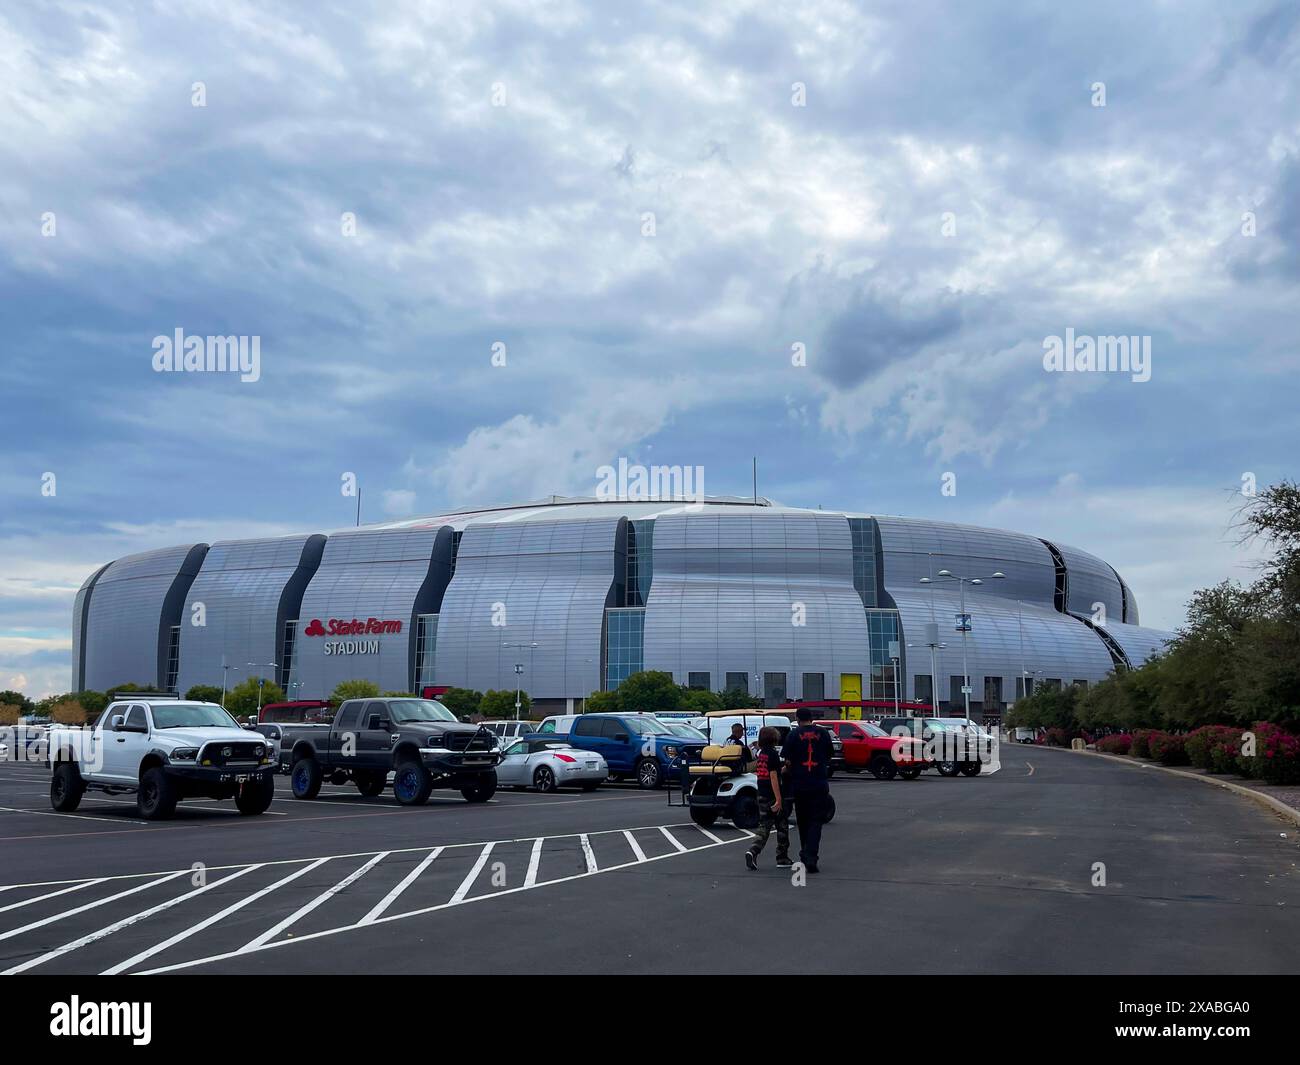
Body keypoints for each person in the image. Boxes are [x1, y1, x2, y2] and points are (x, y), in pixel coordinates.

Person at [780, 707, 834, 873]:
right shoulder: (823, 733)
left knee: (803, 821)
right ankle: (811, 856)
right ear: (811, 717)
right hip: (819, 783)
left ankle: (806, 855)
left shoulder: (793, 735)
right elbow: (829, 754)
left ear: (797, 718)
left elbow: (787, 760)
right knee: (816, 821)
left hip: (800, 784)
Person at [745, 726, 790, 869]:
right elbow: (773, 776)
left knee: (764, 825)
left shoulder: (762, 753)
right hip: (772, 794)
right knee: (782, 826)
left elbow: (771, 770)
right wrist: (778, 799)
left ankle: (753, 851)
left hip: (762, 792)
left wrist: (783, 768)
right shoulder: (772, 753)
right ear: (773, 738)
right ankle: (782, 857)